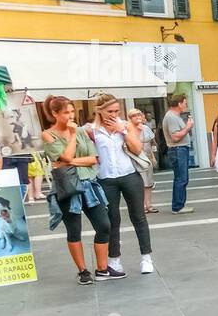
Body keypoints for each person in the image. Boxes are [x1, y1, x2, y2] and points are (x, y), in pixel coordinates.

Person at [41, 95, 115, 284]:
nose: (71, 116)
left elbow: (93, 158)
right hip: (67, 186)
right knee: (74, 229)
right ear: (54, 113)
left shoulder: (82, 131)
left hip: (89, 183)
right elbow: (63, 155)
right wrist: (72, 137)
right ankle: (83, 271)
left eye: (72, 111)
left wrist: (70, 162)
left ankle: (102, 268)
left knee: (104, 225)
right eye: (66, 112)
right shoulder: (48, 134)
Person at [90, 92, 154, 276]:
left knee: (139, 216)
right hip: (106, 179)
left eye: (117, 110)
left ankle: (146, 258)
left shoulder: (125, 125)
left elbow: (137, 148)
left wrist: (123, 130)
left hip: (129, 175)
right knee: (111, 221)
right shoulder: (92, 129)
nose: (113, 114)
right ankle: (114, 260)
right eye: (110, 111)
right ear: (99, 111)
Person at [161, 93, 194, 215]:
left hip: (179, 149)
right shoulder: (171, 117)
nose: (186, 105)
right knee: (181, 178)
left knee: (180, 178)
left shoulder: (174, 116)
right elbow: (175, 137)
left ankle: (179, 204)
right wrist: (188, 127)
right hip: (178, 149)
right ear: (179, 104)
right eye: (185, 103)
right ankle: (178, 206)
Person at [128, 108, 157, 213]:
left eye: (139, 115)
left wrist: (153, 157)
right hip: (136, 158)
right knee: (140, 184)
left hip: (147, 158)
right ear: (130, 118)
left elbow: (150, 143)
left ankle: (149, 204)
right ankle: (142, 206)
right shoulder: (129, 130)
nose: (138, 117)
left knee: (149, 183)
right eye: (135, 116)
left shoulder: (146, 128)